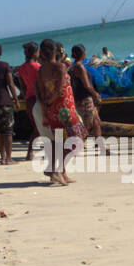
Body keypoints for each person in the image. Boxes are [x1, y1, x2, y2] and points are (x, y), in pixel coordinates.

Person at [36, 38, 85, 184]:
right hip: (65, 109)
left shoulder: (41, 70)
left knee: (59, 142)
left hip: (52, 112)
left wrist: (45, 110)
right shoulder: (60, 67)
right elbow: (59, 90)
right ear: (56, 51)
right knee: (78, 139)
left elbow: (41, 94)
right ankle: (58, 170)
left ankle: (61, 173)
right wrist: (52, 102)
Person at [70, 44, 105, 146]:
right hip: (85, 99)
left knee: (96, 122)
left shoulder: (73, 66)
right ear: (82, 54)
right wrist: (96, 95)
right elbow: (87, 85)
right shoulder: (79, 66)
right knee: (87, 126)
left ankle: (100, 146)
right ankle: (74, 147)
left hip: (79, 98)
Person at [14, 42, 41, 161]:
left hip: (29, 99)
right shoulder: (37, 67)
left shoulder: (21, 68)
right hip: (39, 98)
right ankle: (30, 151)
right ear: (36, 52)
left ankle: (30, 151)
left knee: (37, 126)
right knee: (41, 127)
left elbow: (23, 88)